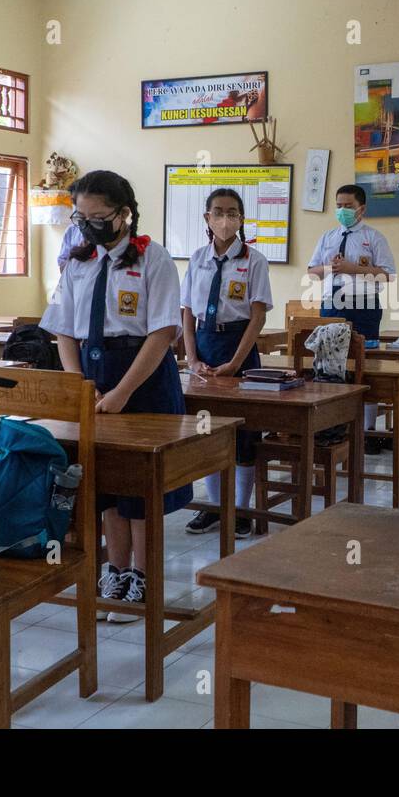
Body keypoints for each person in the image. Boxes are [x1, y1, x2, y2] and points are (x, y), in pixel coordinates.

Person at [39, 170, 190, 621]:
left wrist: (123, 391)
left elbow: (163, 331)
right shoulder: (79, 263)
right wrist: (78, 385)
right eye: (80, 217)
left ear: (124, 214)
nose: (88, 225)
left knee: (140, 486)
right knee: (104, 481)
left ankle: (142, 576)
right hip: (93, 372)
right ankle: (116, 570)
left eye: (98, 217)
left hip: (142, 378)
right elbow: (63, 329)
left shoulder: (152, 259)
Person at [181, 188, 272, 537]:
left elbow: (258, 316)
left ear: (241, 219)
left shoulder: (254, 260)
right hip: (205, 344)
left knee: (244, 433)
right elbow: (187, 312)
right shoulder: (198, 259)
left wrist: (235, 362)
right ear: (207, 218)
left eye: (232, 212)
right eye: (217, 212)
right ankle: (216, 509)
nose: (225, 219)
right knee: (207, 431)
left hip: (240, 347)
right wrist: (191, 357)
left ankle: (241, 510)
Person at [305, 183, 396, 451]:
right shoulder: (328, 237)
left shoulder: (374, 238)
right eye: (339, 206)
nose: (343, 210)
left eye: (348, 206)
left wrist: (352, 268)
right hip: (332, 305)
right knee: (331, 366)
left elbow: (387, 275)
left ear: (361, 209)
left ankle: (368, 432)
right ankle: (333, 427)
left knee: (364, 368)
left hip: (364, 306)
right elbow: (312, 271)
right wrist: (329, 267)